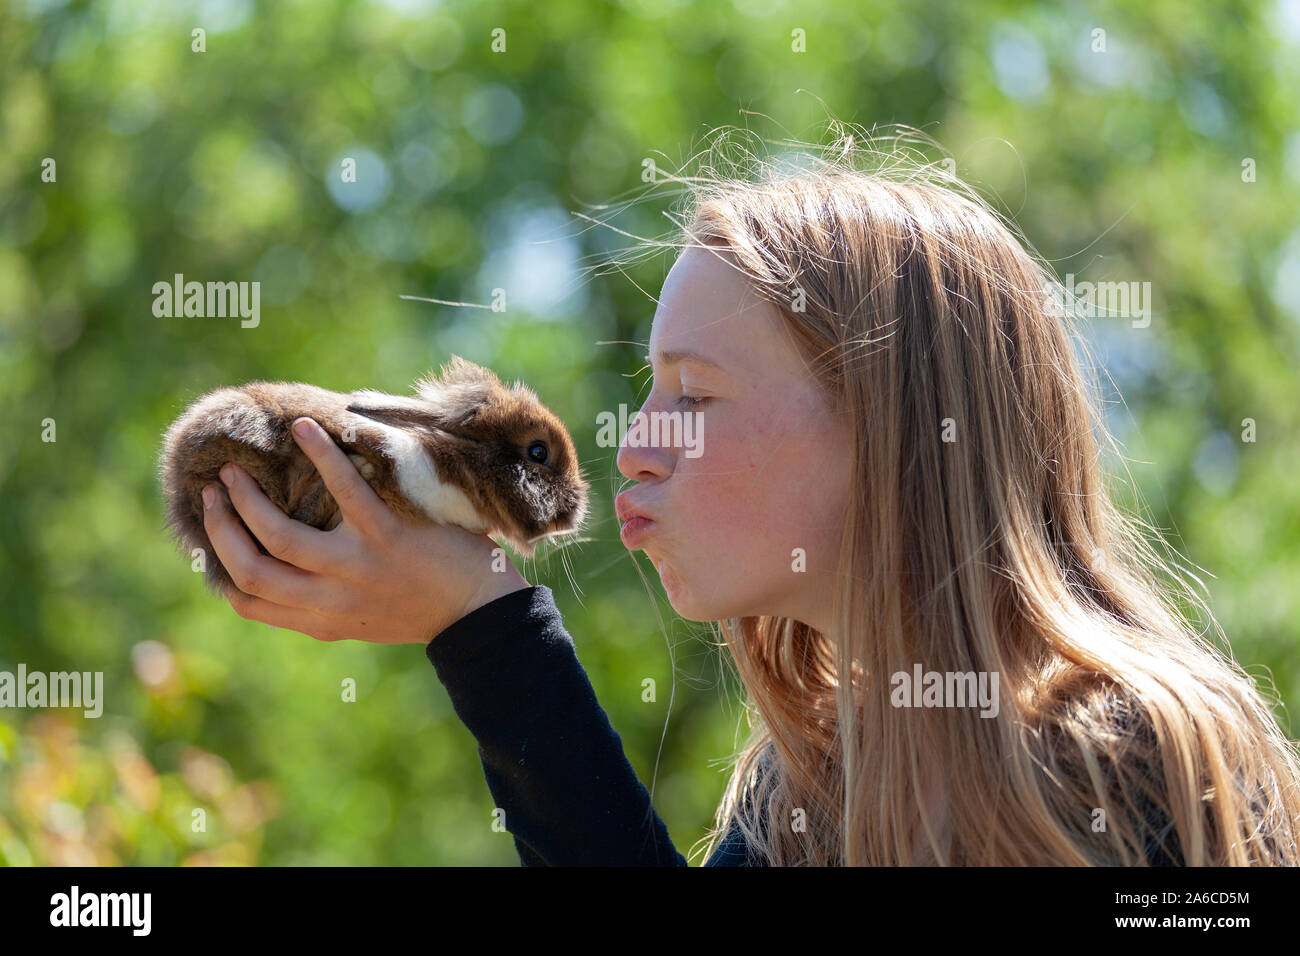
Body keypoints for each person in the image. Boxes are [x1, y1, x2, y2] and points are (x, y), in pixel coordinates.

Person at [197, 132, 1300, 865]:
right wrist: (482, 623)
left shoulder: (1138, 764)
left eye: (694, 394)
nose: (635, 446)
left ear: (890, 425)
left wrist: (492, 634)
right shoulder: (805, 793)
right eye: (647, 392)